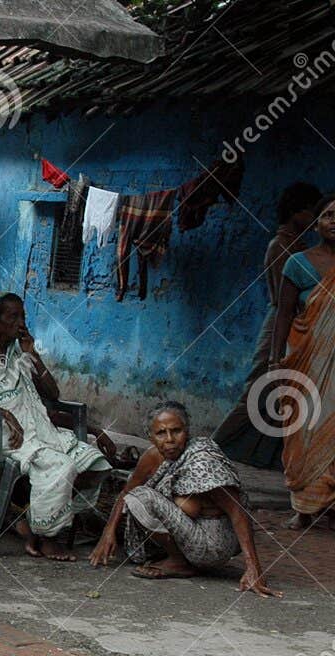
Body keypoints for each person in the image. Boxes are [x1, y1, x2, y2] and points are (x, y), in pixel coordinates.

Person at [0, 291, 112, 561]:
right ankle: (47, 537)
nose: (20, 323)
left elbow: (52, 393)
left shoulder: (19, 352)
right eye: (12, 316)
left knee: (92, 462)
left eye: (23, 316)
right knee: (62, 466)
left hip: (35, 430)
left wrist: (33, 355)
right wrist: (2, 413)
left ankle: (33, 526)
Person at [91, 401, 277, 596]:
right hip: (191, 537)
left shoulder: (202, 459)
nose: (170, 439)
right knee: (135, 495)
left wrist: (253, 567)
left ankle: (179, 562)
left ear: (187, 431)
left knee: (142, 497)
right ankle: (178, 558)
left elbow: (237, 510)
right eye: (161, 433)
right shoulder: (152, 457)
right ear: (151, 437)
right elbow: (125, 492)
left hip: (213, 545)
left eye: (176, 431)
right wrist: (108, 531)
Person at [215, 181, 322, 469]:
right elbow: (283, 300)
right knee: (256, 390)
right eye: (312, 211)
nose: (315, 218)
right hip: (280, 323)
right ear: (295, 211)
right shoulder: (282, 245)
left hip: (297, 325)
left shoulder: (298, 245)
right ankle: (213, 446)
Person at [268, 194, 335, 529]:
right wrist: (274, 357)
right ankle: (305, 507)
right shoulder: (297, 262)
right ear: (318, 222)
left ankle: (330, 507)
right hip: (307, 361)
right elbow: (283, 312)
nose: (334, 221)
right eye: (328, 214)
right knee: (303, 430)